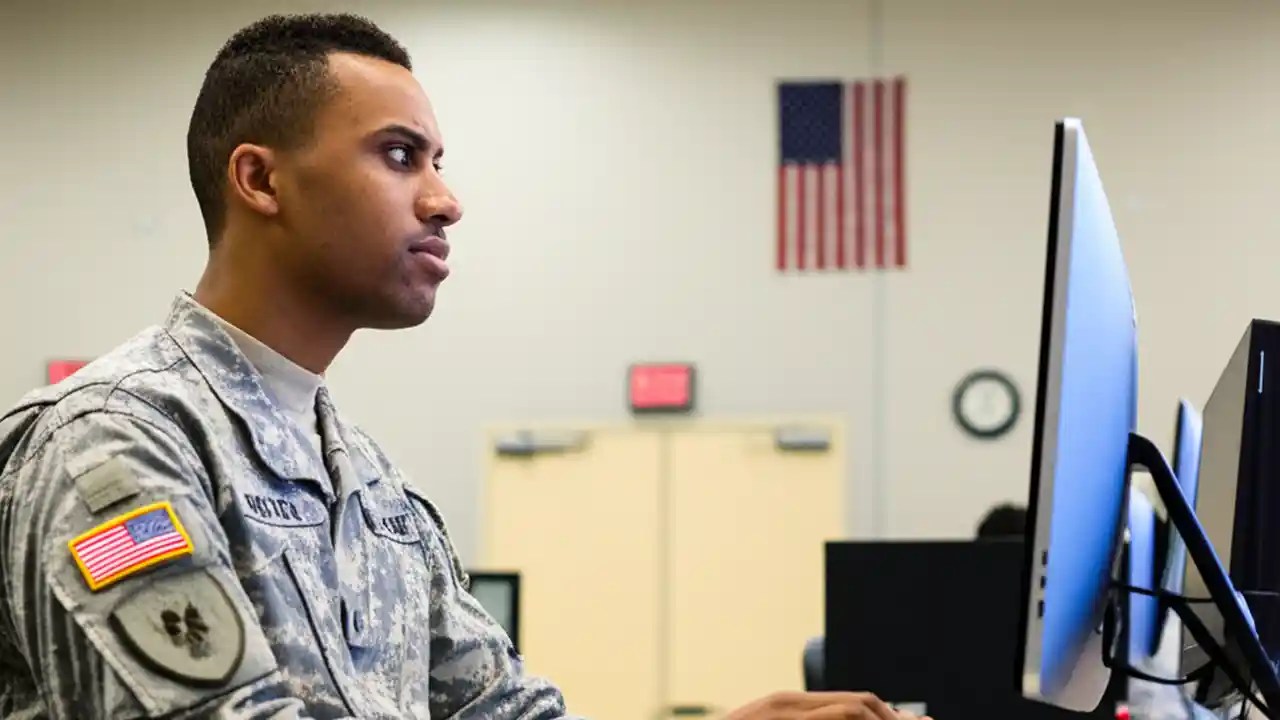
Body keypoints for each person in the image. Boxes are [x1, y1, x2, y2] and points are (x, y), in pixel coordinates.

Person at [0, 13, 927, 720]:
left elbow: (502, 712)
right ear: (261, 179)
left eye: (437, 161)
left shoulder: (366, 482)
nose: (445, 201)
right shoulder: (114, 448)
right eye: (400, 157)